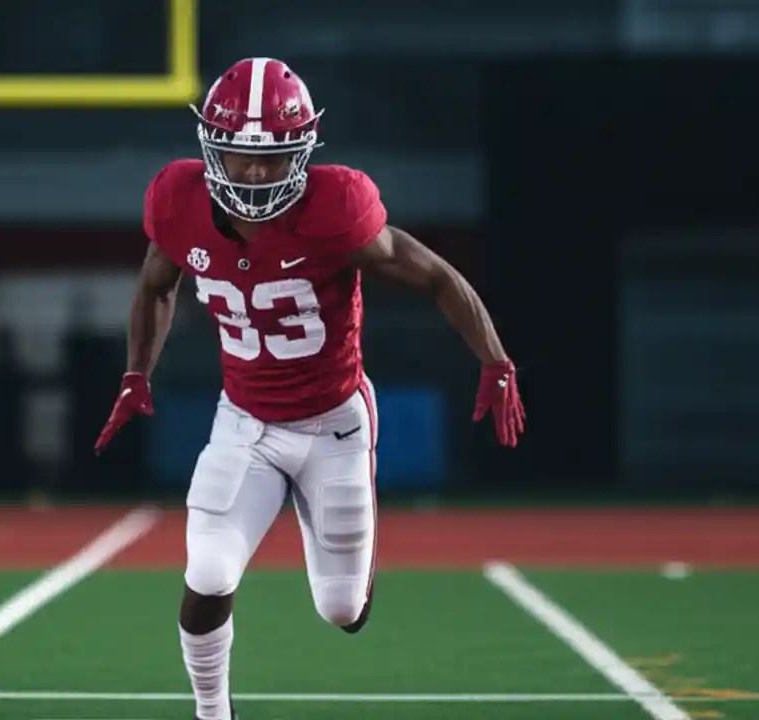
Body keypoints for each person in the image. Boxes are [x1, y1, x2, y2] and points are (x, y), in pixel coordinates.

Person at [93, 57, 525, 720]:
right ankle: (213, 715)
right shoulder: (179, 203)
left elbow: (435, 275)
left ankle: (337, 534)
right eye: (242, 157)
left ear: (305, 151)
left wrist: (494, 360)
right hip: (247, 423)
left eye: (276, 158)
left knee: (342, 610)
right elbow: (157, 285)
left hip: (335, 425)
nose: (259, 173)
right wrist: (135, 372)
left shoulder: (336, 207)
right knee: (207, 571)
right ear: (213, 150)